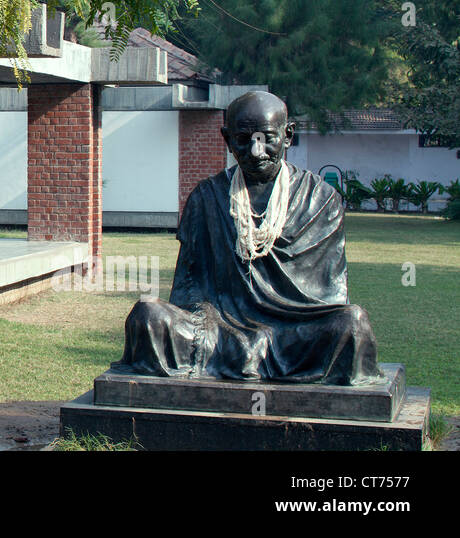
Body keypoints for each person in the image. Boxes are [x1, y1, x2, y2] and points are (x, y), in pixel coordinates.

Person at [116, 90, 382, 385]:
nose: (257, 151)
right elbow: (188, 291)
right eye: (244, 139)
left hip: (295, 332)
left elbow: (331, 296)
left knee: (352, 324)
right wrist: (219, 326)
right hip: (220, 330)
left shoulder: (319, 198)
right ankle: (237, 356)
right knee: (148, 315)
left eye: (267, 137)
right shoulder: (207, 197)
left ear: (288, 135)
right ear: (227, 139)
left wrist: (268, 334)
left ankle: (254, 356)